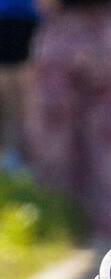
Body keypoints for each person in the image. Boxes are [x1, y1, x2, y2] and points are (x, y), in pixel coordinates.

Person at [27, 0, 111, 244]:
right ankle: (102, 222)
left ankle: (62, 223)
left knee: (56, 140)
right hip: (101, 34)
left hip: (64, 37)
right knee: (100, 138)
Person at [0, 0, 39, 174]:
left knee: (26, 86)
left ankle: (23, 150)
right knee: (7, 87)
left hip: (30, 16)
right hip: (6, 16)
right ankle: (12, 150)